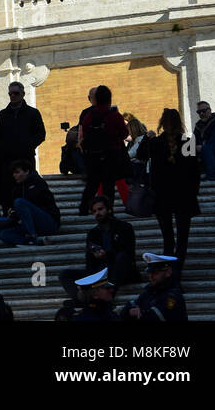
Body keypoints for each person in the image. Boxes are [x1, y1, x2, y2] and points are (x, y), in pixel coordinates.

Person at [144, 108, 201, 266]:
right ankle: (177, 270)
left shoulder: (155, 143)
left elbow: (152, 170)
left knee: (168, 240)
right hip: (184, 195)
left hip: (163, 196)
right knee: (182, 239)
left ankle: (168, 269)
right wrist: (193, 192)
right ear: (179, 122)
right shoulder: (188, 142)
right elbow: (195, 172)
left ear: (162, 123)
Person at [0, 81, 46, 208]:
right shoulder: (3, 114)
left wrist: (27, 146)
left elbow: (40, 134)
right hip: (7, 160)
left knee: (27, 189)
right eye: (10, 94)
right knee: (8, 191)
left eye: (16, 93)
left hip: (25, 158)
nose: (13, 96)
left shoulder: (33, 113)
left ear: (23, 94)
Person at [62, 196, 137, 297]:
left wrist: (107, 255)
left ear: (109, 209)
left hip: (119, 270)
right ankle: (81, 300)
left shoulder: (124, 227)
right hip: (100, 272)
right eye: (94, 211)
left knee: (121, 258)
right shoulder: (93, 233)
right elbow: (89, 262)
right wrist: (95, 257)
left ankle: (108, 293)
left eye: (100, 209)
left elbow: (128, 253)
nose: (97, 213)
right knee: (65, 274)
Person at [77, 84, 130, 215]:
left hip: (93, 156)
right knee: (108, 185)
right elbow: (124, 134)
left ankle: (83, 209)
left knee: (92, 184)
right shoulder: (114, 116)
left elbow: (83, 135)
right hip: (111, 155)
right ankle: (108, 210)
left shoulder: (89, 116)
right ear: (109, 99)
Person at [0, 160, 62, 245]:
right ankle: (32, 242)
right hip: (32, 225)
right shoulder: (17, 189)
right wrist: (12, 213)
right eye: (13, 173)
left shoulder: (38, 182)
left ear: (27, 171)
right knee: (4, 233)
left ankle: (32, 236)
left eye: (17, 172)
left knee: (19, 202)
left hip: (48, 222)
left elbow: (38, 204)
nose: (14, 175)